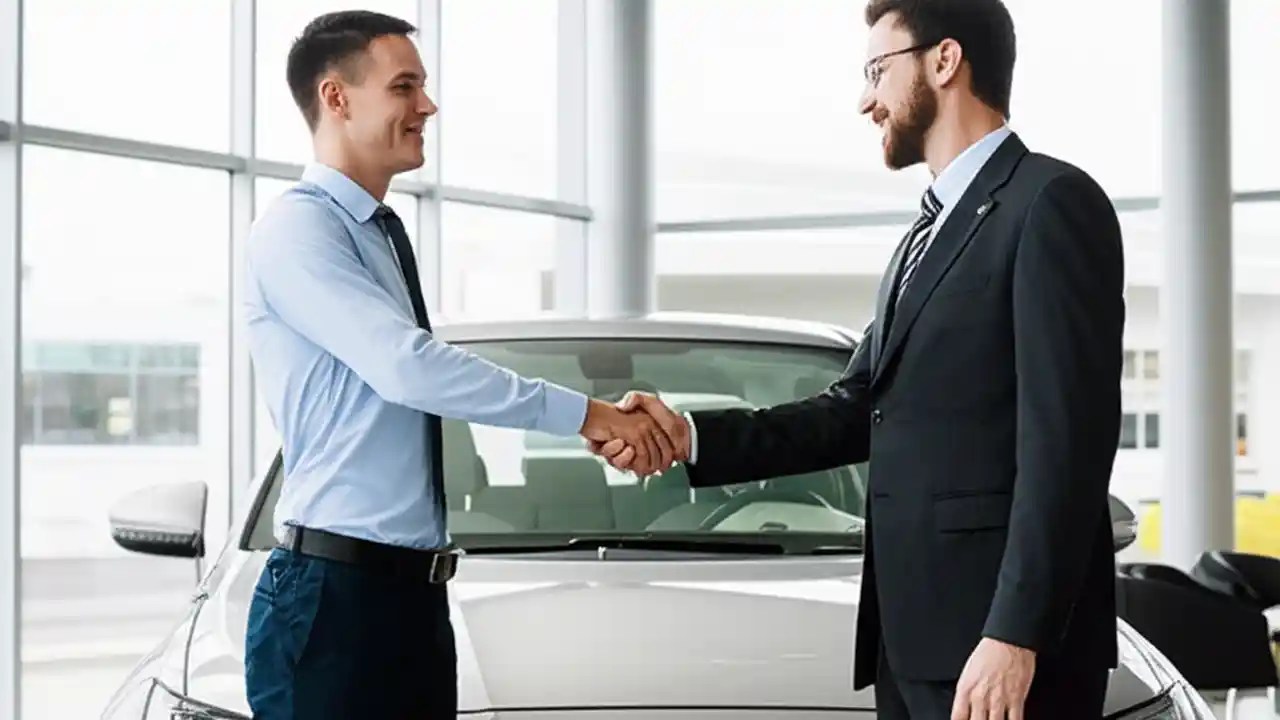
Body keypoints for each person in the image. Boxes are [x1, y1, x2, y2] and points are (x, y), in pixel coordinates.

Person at [592, 0, 1125, 717]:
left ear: (944, 61)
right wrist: (688, 435)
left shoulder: (1051, 204)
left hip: (997, 655)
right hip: (909, 644)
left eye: (877, 70)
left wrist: (1015, 634)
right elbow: (854, 410)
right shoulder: (923, 236)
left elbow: (1069, 447)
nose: (864, 100)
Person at [242, 11, 679, 718]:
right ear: (336, 97)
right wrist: (588, 414)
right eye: (405, 86)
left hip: (410, 597)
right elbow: (407, 367)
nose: (427, 106)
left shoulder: (379, 233)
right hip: (331, 600)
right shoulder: (298, 228)